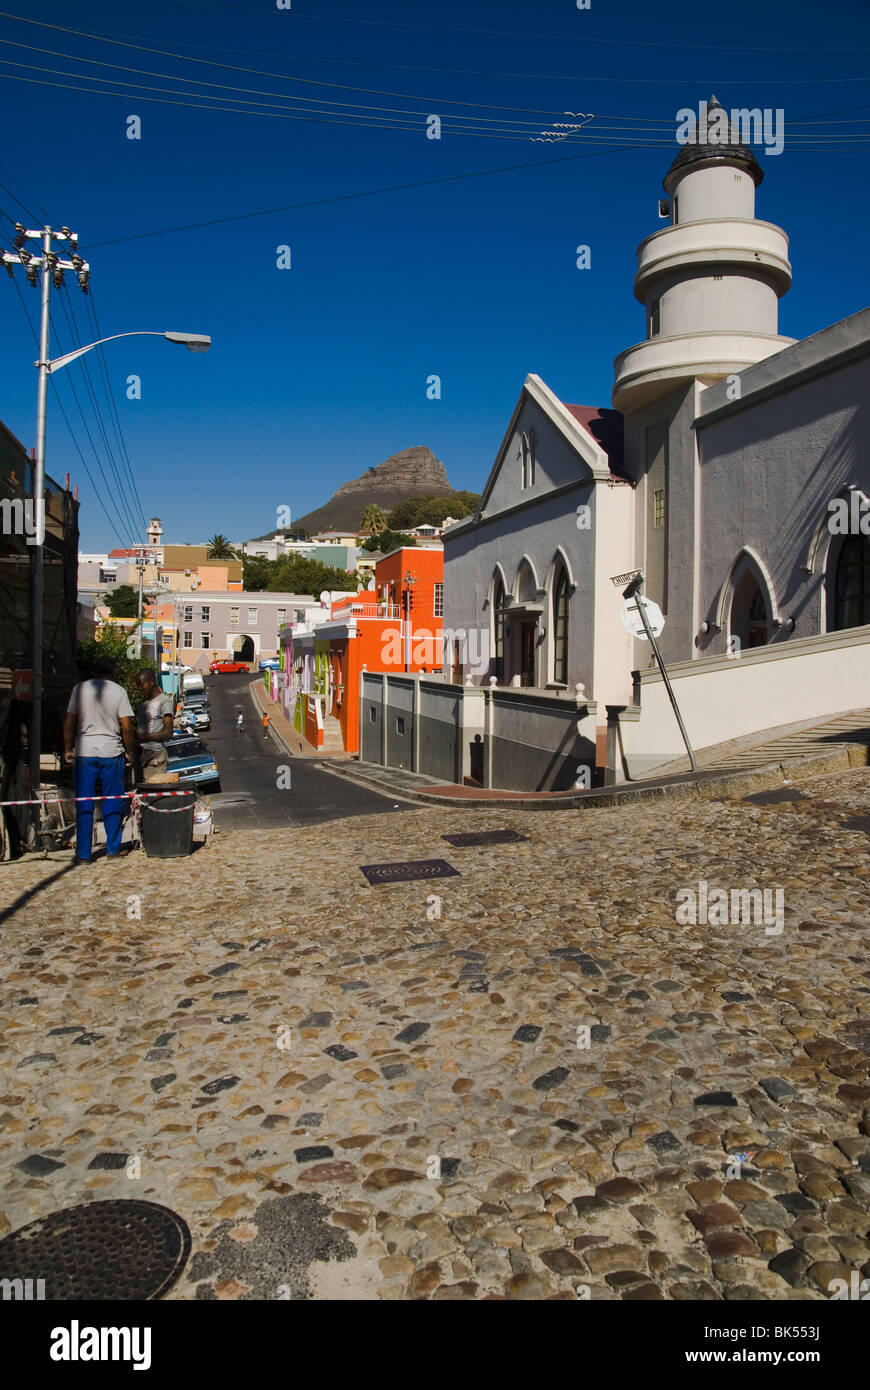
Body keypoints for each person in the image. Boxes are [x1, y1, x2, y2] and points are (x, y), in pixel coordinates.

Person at [64, 656, 136, 863]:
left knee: (84, 802)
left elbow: (69, 722)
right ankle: (113, 849)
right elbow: (126, 726)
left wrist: (68, 748)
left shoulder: (79, 689)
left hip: (85, 750)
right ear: (113, 671)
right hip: (111, 751)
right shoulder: (119, 691)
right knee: (112, 800)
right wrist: (129, 751)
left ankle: (84, 854)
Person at [135, 669, 175, 782]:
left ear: (152, 682)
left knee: (153, 792)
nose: (140, 688)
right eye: (138, 685)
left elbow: (168, 732)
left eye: (142, 684)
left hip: (155, 756)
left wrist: (145, 736)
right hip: (142, 754)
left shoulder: (164, 702)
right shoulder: (144, 703)